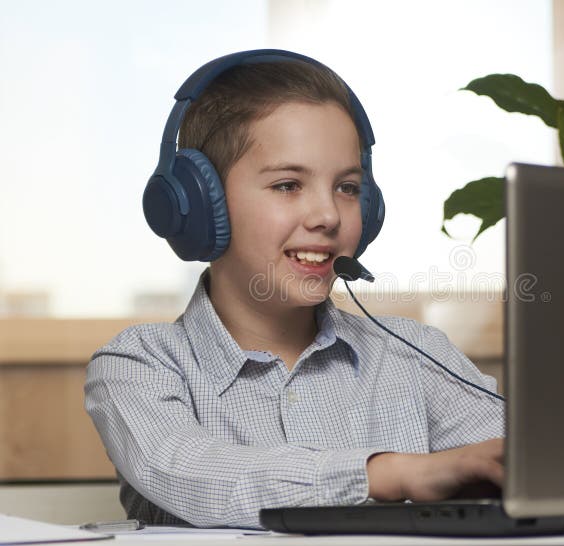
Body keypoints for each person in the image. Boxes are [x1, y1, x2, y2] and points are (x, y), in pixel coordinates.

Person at [84, 50, 504, 529]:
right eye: (288, 185)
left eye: (347, 188)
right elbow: (195, 472)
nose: (327, 215)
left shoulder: (415, 356)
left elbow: (522, 464)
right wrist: (392, 474)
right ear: (199, 206)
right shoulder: (140, 366)